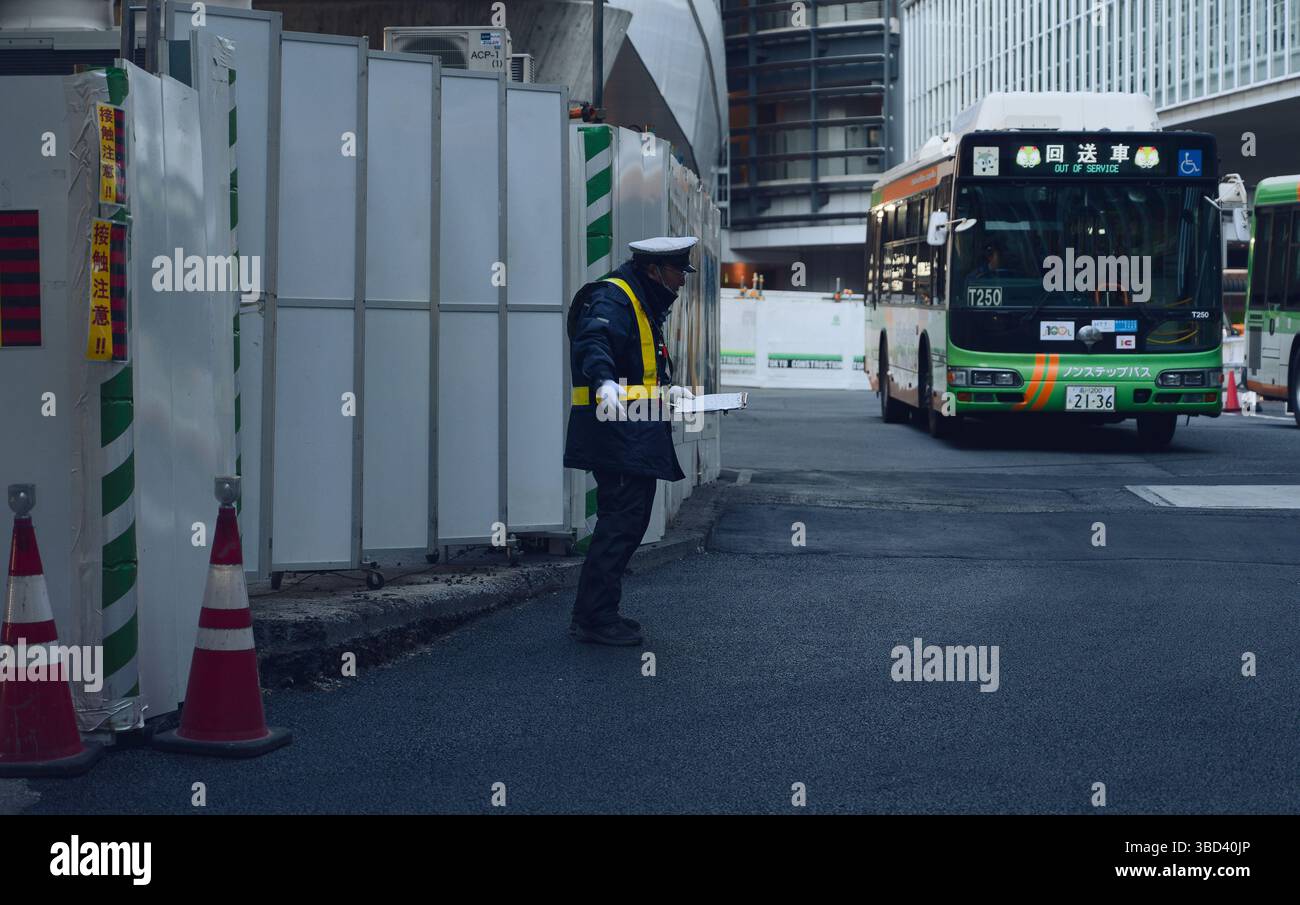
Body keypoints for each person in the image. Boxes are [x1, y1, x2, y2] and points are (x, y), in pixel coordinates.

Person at [563, 236, 698, 645]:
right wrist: (603, 382)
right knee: (619, 525)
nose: (681, 283)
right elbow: (594, 341)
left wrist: (668, 392)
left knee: (628, 524)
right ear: (655, 270)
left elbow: (640, 372)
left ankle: (598, 612)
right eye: (678, 273)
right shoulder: (612, 298)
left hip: (634, 432)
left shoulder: (641, 303)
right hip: (616, 434)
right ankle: (594, 618)